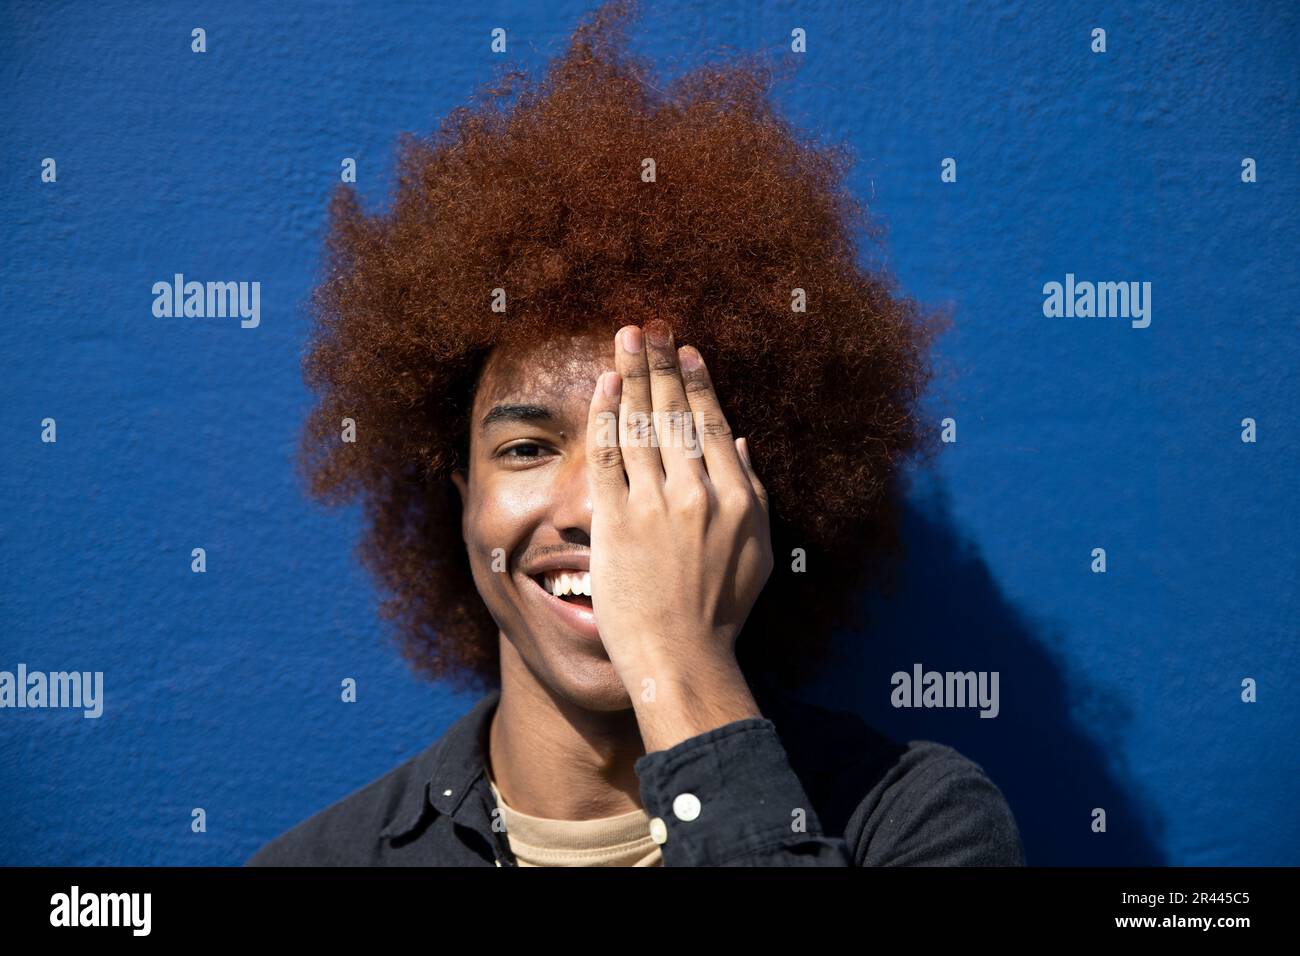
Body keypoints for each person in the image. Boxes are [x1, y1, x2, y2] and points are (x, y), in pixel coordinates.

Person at [247, 0, 1024, 867]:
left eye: (659, 443)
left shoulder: (916, 821)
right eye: (528, 448)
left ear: (750, 498)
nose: (596, 509)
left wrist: (675, 661)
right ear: (461, 502)